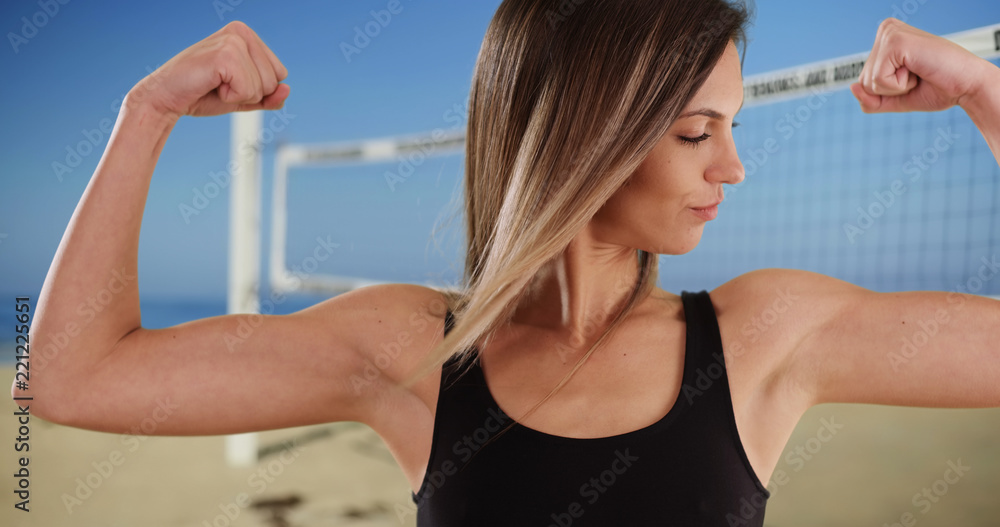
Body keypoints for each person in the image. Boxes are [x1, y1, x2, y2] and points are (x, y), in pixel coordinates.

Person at [12, 0, 1000, 525]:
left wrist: (983, 94)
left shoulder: (764, 335)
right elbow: (67, 376)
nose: (732, 167)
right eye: (699, 131)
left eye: (728, 127)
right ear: (587, 133)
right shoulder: (409, 346)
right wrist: (144, 114)